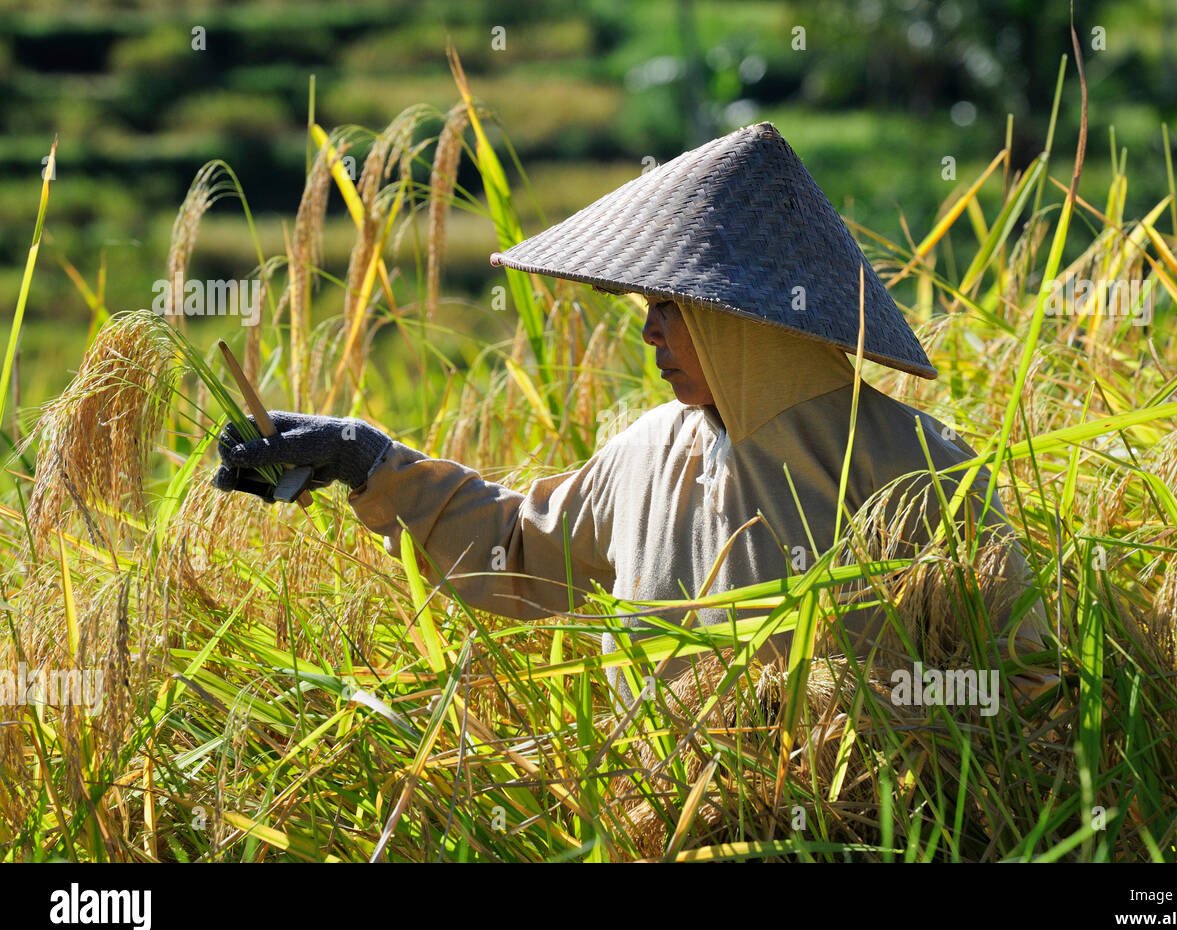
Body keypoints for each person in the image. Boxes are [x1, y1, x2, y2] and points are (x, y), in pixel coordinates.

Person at [214, 122, 1056, 707]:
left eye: (671, 305)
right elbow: (514, 548)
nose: (649, 328)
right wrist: (366, 460)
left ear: (745, 313)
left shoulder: (916, 467)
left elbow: (1020, 683)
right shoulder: (651, 453)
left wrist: (869, 711)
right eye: (646, 303)